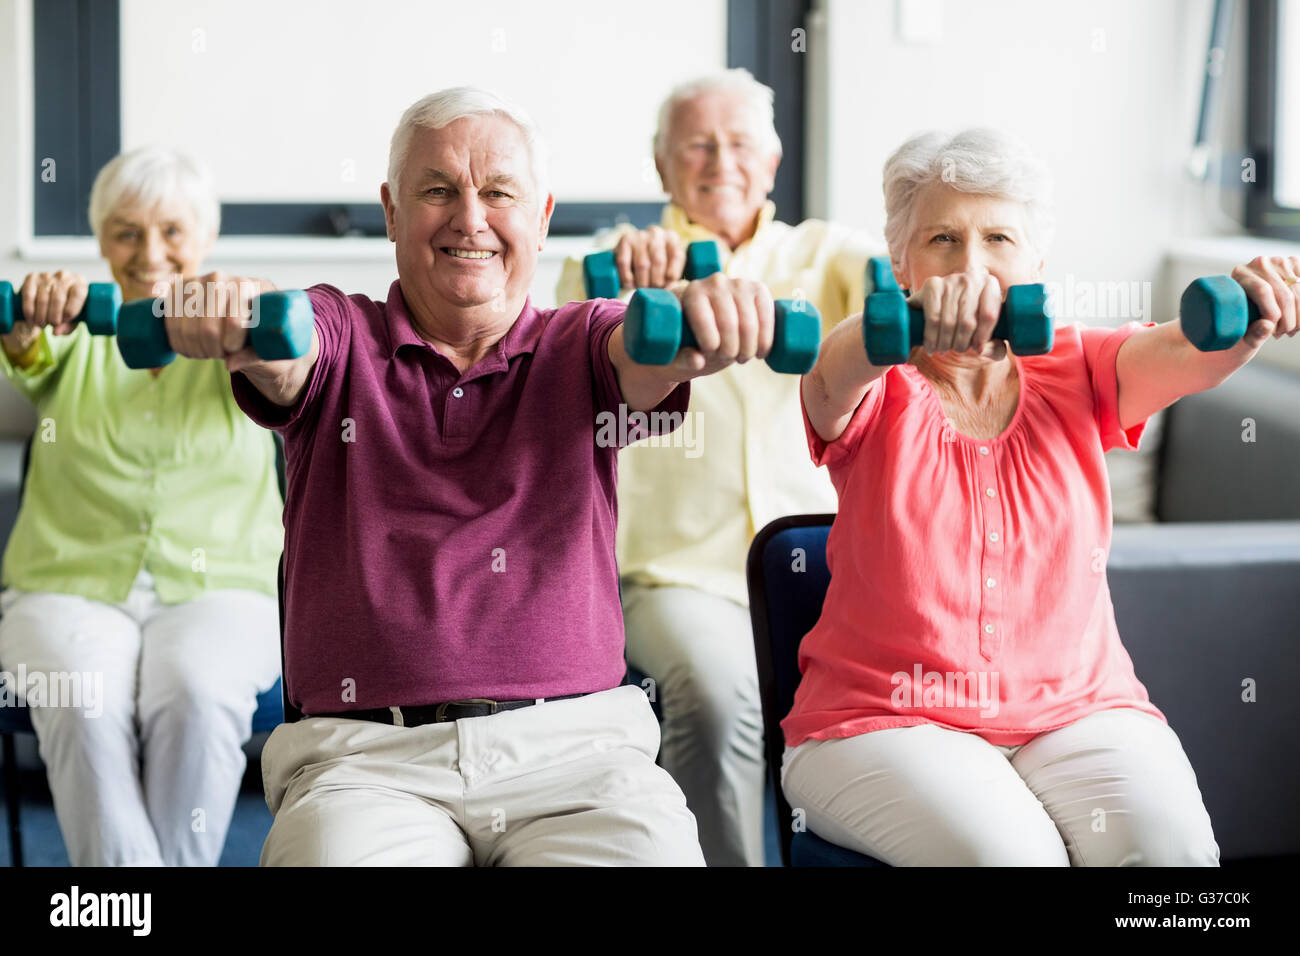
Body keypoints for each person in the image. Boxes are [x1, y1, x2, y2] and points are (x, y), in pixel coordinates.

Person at [166, 86, 782, 866]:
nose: (470, 218)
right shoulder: (340, 329)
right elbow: (284, 347)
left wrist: (698, 324)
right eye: (437, 191)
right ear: (391, 212)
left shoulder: (582, 341)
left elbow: (645, 354)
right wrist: (234, 311)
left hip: (580, 758)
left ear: (543, 216)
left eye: (499, 193)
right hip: (364, 764)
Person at [783, 127, 1298, 865]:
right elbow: (831, 372)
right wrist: (904, 327)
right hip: (885, 720)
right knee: (1014, 860)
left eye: (998, 237)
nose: (973, 264)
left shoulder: (1081, 366)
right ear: (900, 262)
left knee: (1175, 859)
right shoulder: (875, 381)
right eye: (942, 238)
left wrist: (1251, 310)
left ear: (1035, 262)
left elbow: (1187, 349)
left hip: (1077, 710)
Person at [556, 68, 882, 866]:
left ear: (771, 165)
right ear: (663, 167)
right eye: (697, 145)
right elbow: (559, 388)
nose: (719, 161)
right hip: (674, 576)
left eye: (739, 143)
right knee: (712, 694)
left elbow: (895, 288)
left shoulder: (826, 254)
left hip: (826, 564)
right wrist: (627, 298)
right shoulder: (609, 264)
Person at [0, 147, 284, 866]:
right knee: (78, 696)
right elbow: (27, 351)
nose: (149, 252)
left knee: (196, 691)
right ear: (102, 242)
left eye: (172, 231)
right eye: (126, 232)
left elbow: (293, 378)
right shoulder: (75, 337)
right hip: (67, 585)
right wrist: (28, 322)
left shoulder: (242, 339)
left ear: (206, 239)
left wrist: (240, 321)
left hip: (223, 586)